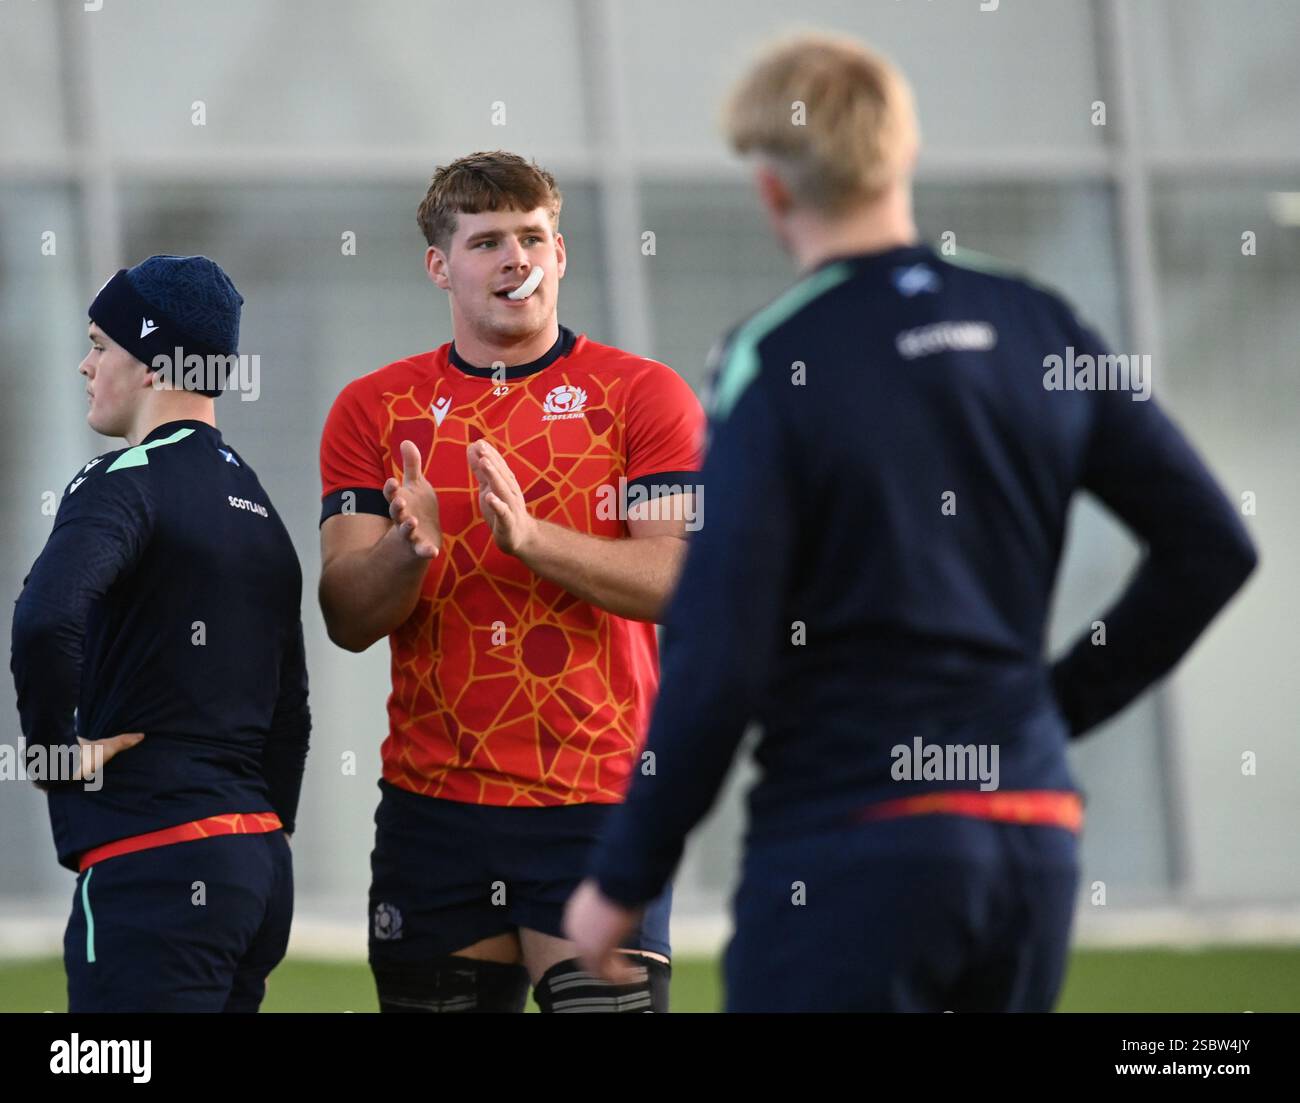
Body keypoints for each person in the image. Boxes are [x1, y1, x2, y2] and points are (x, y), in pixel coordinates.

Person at [565, 33, 1259, 1012]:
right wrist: (1047, 713)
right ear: (905, 156)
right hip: (1029, 834)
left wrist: (623, 874)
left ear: (770, 190)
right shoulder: (1037, 324)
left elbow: (717, 650)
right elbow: (1213, 548)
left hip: (852, 839)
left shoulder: (773, 359)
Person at [318, 151, 704, 1012]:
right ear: (440, 266)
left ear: (561, 253)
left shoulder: (645, 396)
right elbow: (345, 613)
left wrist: (532, 539)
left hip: (597, 800)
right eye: (487, 241)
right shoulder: (374, 409)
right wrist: (405, 553)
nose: (515, 259)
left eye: (533, 237)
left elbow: (684, 580)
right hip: (433, 808)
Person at [11, 254, 310, 1012]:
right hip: (256, 867)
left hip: (155, 865)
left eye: (99, 344)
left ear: (151, 364)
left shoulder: (122, 479)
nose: (84, 364)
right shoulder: (259, 505)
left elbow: (47, 617)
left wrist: (50, 750)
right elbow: (292, 710)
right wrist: (257, 835)